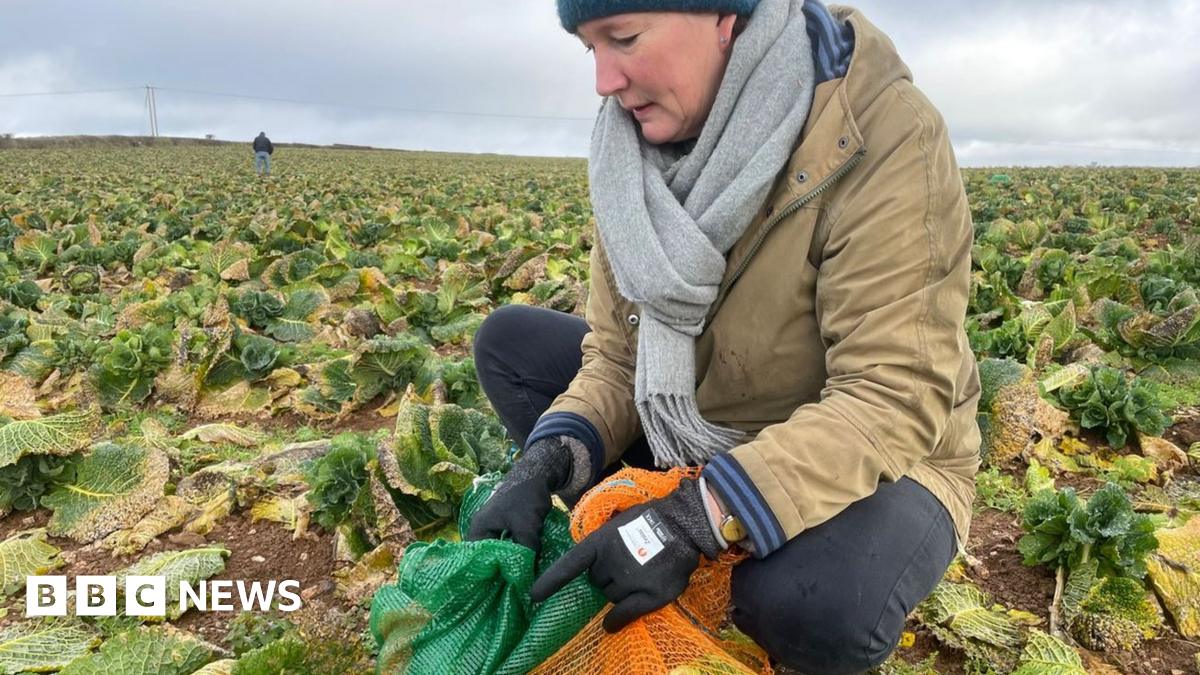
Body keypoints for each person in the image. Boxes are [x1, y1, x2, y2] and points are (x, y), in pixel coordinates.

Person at [468, 0, 981, 672]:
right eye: (587, 48)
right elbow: (620, 357)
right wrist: (550, 456)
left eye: (622, 38)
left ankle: (709, 530)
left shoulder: (880, 129)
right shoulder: (627, 150)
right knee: (510, 345)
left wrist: (692, 519)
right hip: (703, 414)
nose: (603, 81)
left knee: (815, 605)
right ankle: (655, 518)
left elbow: (893, 394)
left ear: (723, 17)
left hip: (884, 451)